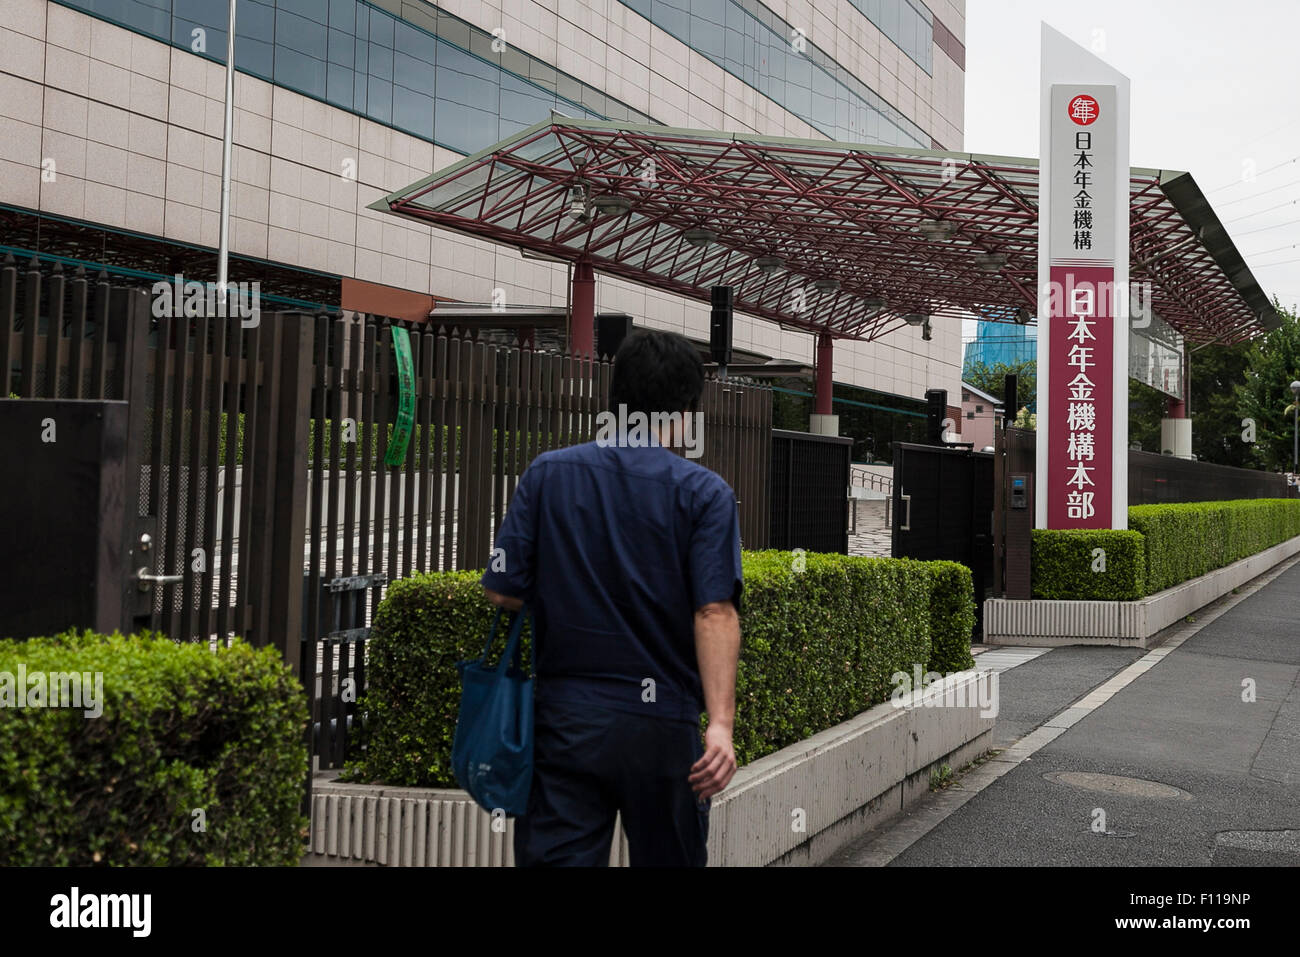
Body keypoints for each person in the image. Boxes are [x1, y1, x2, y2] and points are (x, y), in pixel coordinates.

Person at [480, 328, 743, 867]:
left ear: (615, 396)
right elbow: (713, 611)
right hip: (664, 728)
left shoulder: (546, 474)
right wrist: (720, 724)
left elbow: (500, 593)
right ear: (688, 410)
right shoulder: (705, 494)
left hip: (565, 723)